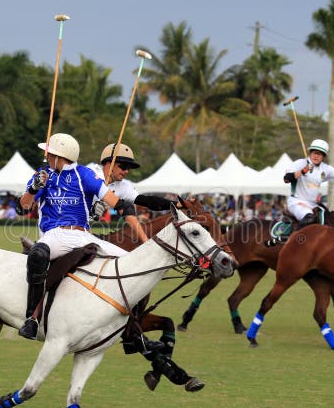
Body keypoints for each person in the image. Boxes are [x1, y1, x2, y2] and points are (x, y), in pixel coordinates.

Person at [87, 142, 202, 392]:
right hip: (63, 229)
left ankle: (130, 328)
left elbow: (145, 200)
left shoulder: (122, 187)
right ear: (108, 162)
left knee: (127, 266)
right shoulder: (90, 174)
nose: (126, 171)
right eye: (123, 165)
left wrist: (174, 205)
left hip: (87, 234)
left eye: (129, 167)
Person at [17, 133, 144, 340]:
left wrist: (112, 208)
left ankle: (132, 331)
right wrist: (34, 188)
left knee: (133, 264)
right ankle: (32, 319)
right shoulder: (43, 174)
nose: (46, 157)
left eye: (50, 154)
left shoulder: (84, 174)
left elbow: (118, 203)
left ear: (60, 156)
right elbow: (22, 208)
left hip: (83, 236)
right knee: (38, 254)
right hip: (54, 235)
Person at [283, 139, 334, 228]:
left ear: (324, 156)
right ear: (310, 153)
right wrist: (303, 171)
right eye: (315, 153)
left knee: (331, 221)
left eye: (320, 154)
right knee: (309, 218)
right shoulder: (300, 163)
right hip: (297, 202)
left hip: (314, 204)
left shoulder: (326, 169)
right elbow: (287, 179)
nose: (317, 156)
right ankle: (295, 238)